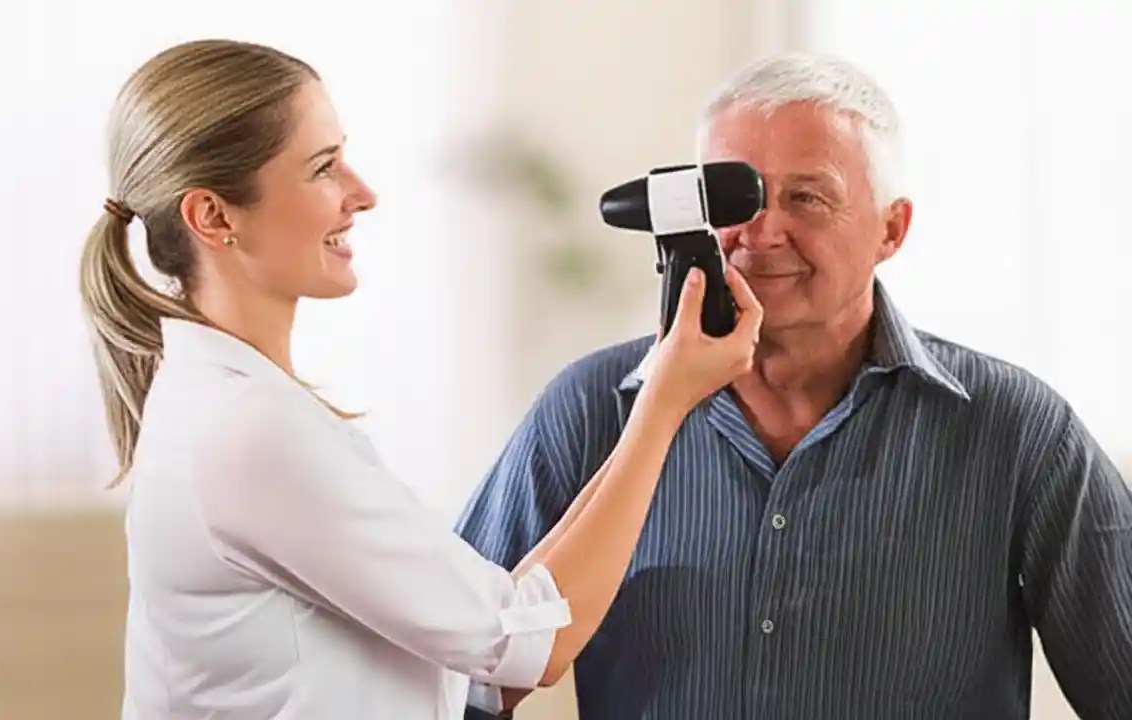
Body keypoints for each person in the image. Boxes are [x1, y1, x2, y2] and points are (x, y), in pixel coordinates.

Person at [76, 39, 763, 719]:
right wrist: (667, 405)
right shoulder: (251, 430)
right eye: (323, 168)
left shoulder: (225, 407)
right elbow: (529, 646)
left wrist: (660, 400)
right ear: (214, 216)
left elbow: (493, 656)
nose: (362, 194)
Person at [457, 52, 1132, 719]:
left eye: (807, 198)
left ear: (891, 229)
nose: (761, 231)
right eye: (733, 196)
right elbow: (453, 677)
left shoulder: (1019, 433)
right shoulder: (587, 412)